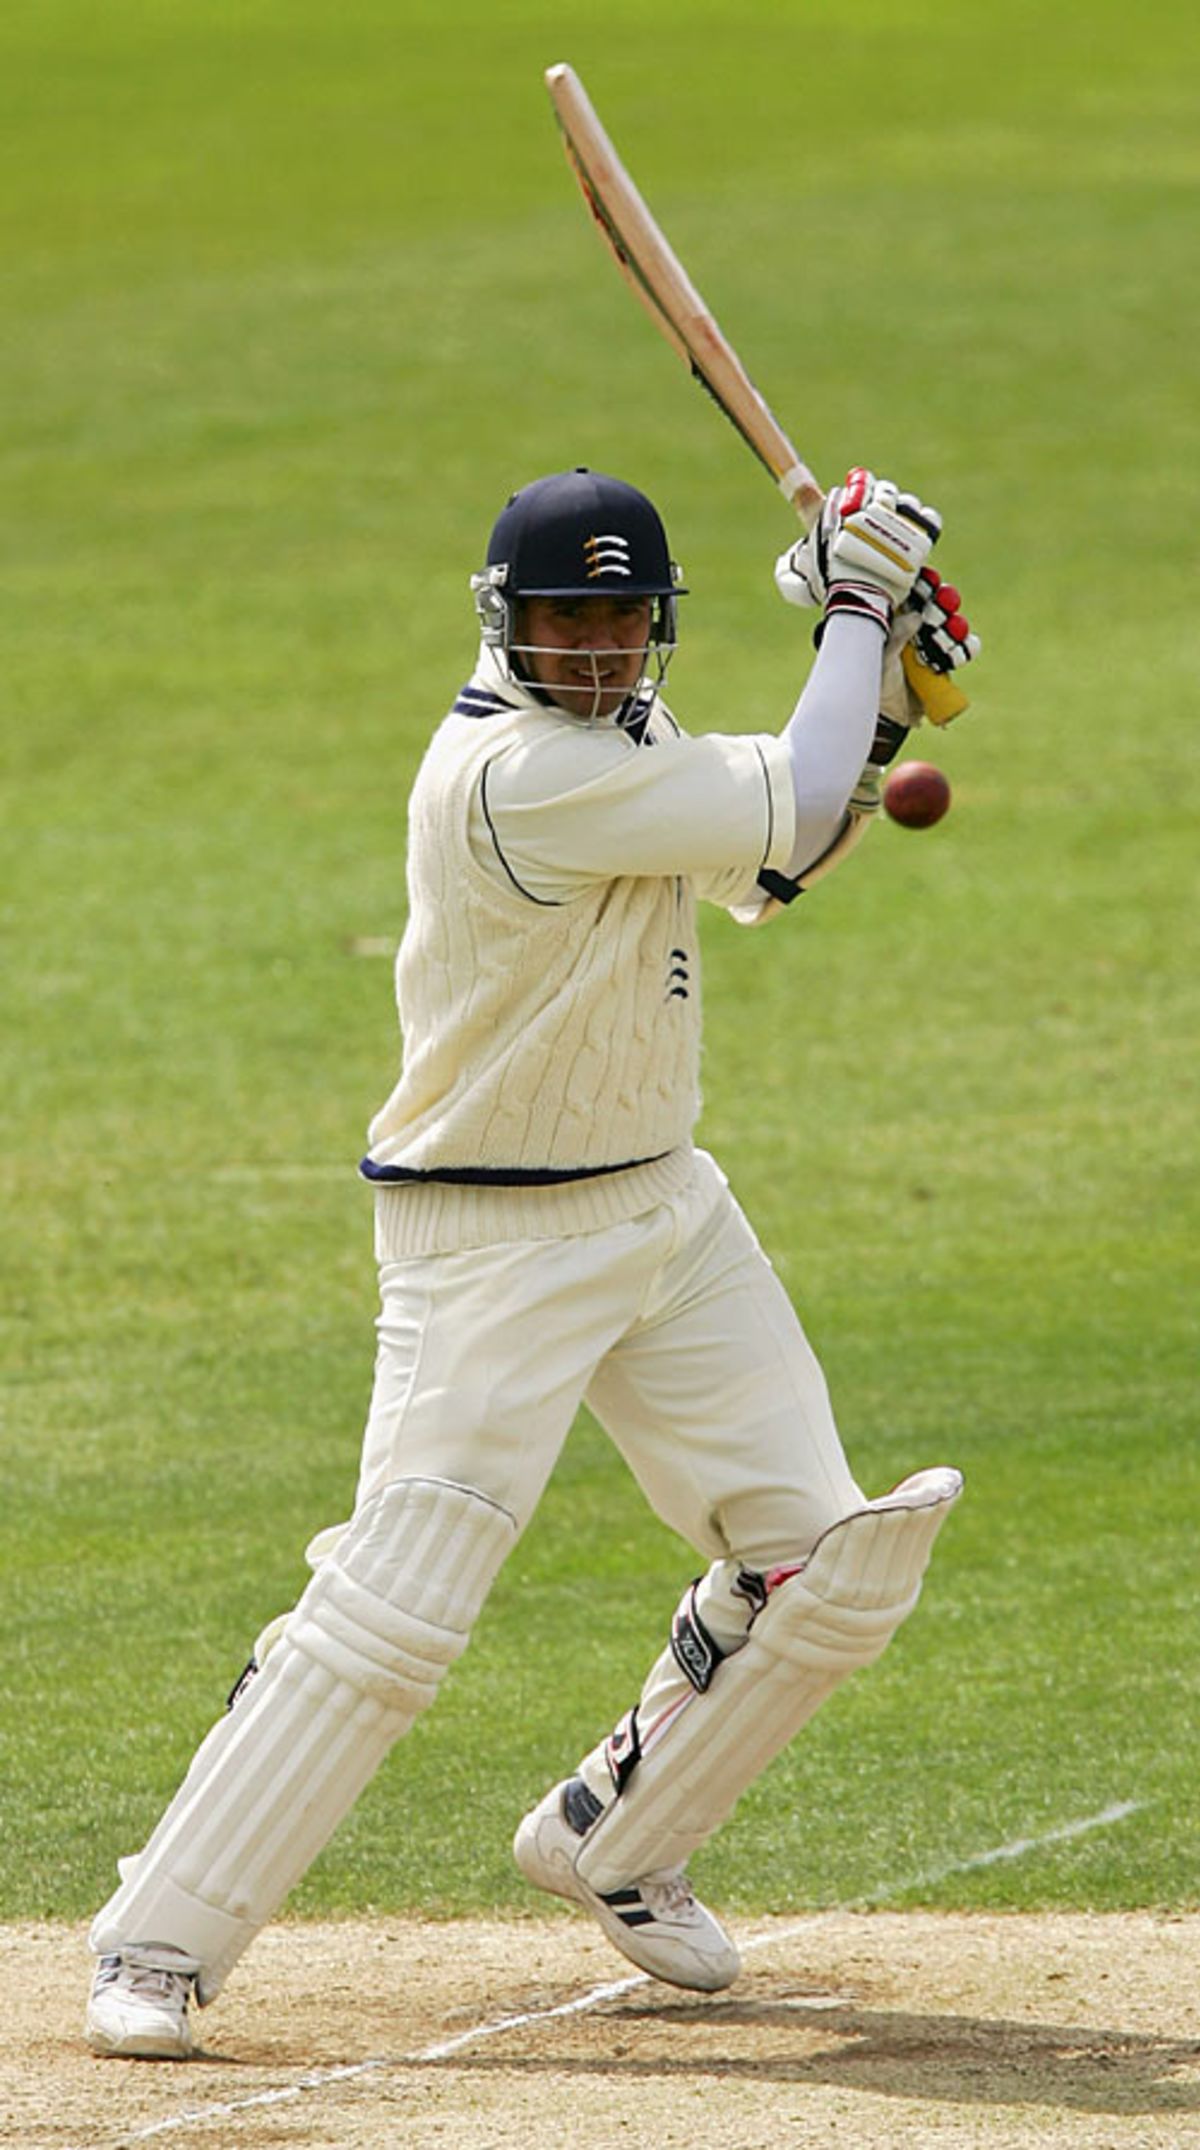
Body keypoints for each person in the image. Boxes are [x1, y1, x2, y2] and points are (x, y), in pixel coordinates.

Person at [86, 463, 980, 2059]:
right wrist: (858, 610)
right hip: (491, 1239)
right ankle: (156, 1938)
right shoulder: (511, 773)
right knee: (394, 1612)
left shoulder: (627, 744)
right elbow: (780, 796)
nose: (601, 646)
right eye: (570, 616)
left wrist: (885, 690)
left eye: (627, 618)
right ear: (505, 622)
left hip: (666, 1209)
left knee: (829, 1562)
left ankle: (614, 1837)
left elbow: (766, 865)